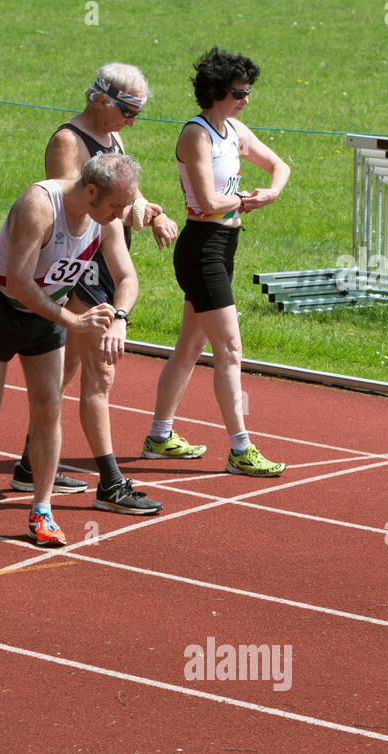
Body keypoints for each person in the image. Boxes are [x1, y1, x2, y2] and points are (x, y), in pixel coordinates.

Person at [0, 153, 139, 546]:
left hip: (47, 311)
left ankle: (42, 508)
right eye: (117, 205)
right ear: (90, 191)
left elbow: (126, 276)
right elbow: (17, 282)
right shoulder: (39, 207)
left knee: (48, 408)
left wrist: (119, 316)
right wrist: (72, 321)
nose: (122, 214)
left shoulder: (106, 221)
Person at [10, 62, 178, 514]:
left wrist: (151, 212)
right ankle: (110, 482)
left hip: (108, 258)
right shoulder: (68, 141)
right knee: (100, 371)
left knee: (65, 371)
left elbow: (125, 190)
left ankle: (30, 464)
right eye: (127, 110)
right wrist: (135, 214)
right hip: (81, 265)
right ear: (101, 99)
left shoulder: (113, 136)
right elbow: (77, 207)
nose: (132, 121)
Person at [141, 48, 290, 476]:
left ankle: (158, 436)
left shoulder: (234, 129)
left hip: (225, 246)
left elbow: (278, 165)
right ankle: (240, 449)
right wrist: (247, 198)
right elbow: (206, 202)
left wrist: (273, 192)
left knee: (190, 347)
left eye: (248, 91)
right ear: (214, 92)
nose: (247, 100)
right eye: (239, 93)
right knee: (230, 348)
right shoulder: (197, 135)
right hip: (202, 248)